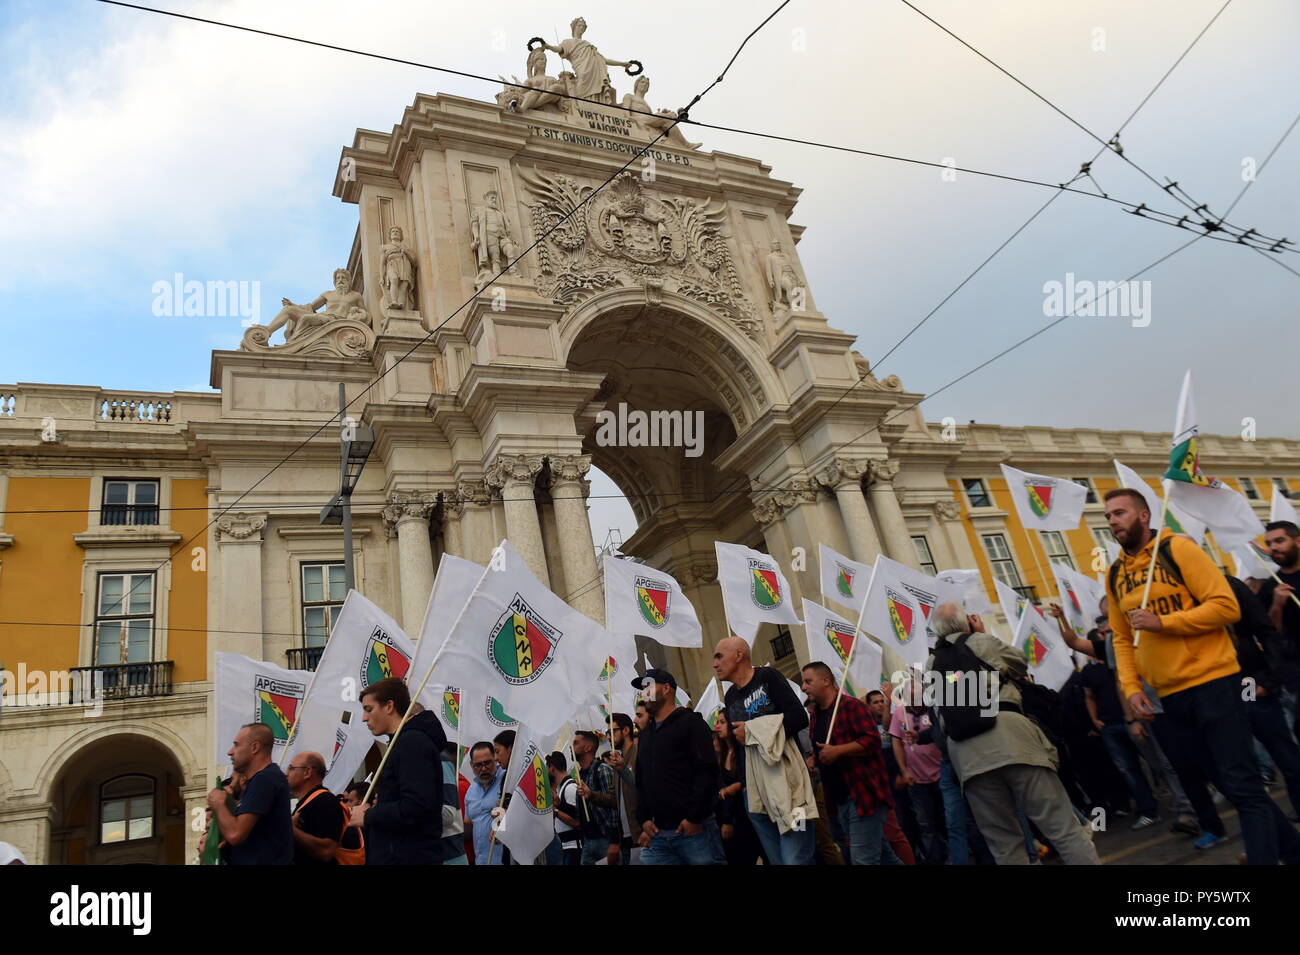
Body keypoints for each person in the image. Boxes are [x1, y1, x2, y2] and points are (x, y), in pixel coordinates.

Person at [1105, 488, 1300, 865]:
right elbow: (1123, 639)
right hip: (1169, 697)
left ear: (1143, 516)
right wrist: (1131, 688)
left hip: (1215, 683)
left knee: (1244, 785)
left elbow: (1226, 607)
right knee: (1229, 784)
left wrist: (1165, 622)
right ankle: (1291, 850)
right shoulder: (1116, 574)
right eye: (1109, 515)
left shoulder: (1178, 550)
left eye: (1120, 513)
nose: (1112, 520)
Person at [927, 603, 1100, 864]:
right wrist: (980, 633)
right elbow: (1019, 662)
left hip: (967, 756)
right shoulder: (981, 641)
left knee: (1004, 844)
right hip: (1009, 737)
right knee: (1062, 828)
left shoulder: (932, 662)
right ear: (967, 623)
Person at [714, 637, 817, 865]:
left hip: (792, 789)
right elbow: (739, 747)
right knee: (778, 860)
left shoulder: (768, 678)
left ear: (739, 655)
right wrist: (744, 786)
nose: (715, 664)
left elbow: (800, 718)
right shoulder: (730, 697)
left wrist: (753, 730)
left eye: (719, 656)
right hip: (756, 793)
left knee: (797, 858)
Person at [801, 662, 897, 864]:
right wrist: (815, 759)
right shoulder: (816, 717)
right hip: (839, 800)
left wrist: (838, 751)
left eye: (808, 681)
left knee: (862, 860)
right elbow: (822, 751)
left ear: (826, 680)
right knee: (885, 858)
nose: (803, 687)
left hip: (863, 795)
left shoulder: (852, 707)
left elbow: (872, 740)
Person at [632, 668, 726, 865]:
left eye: (648, 686)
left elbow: (707, 772)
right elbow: (641, 780)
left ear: (666, 689)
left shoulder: (691, 723)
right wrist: (644, 819)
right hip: (658, 836)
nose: (643, 693)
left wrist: (694, 817)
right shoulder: (646, 734)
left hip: (693, 832)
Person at [1225, 573, 1300, 820]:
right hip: (1213, 689)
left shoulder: (1230, 586)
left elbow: (1266, 631)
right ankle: (1268, 830)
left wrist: (1268, 680)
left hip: (1246, 678)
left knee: (1282, 750)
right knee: (1241, 768)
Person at [351, 677, 446, 865]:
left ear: (389, 706)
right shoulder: (403, 742)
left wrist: (370, 815)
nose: (363, 718)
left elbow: (416, 806)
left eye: (369, 709)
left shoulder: (412, 743)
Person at [206, 723, 293, 865]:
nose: (230, 752)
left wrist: (218, 804)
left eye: (236, 745)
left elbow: (235, 834)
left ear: (255, 747)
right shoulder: (263, 779)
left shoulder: (264, 779)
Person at [889, 676, 948, 864]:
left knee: (946, 819)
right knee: (925, 824)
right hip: (916, 780)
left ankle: (954, 855)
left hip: (941, 775)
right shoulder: (899, 713)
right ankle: (936, 860)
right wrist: (904, 771)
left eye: (917, 690)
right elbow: (896, 742)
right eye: (909, 691)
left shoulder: (932, 711)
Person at [867, 686, 916, 864]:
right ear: (868, 707)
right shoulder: (869, 728)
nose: (880, 705)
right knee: (899, 824)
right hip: (887, 784)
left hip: (904, 778)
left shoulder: (894, 720)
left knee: (912, 820)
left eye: (882, 701)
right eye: (876, 702)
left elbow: (889, 728)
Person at [1261, 520, 1300, 734]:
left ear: (1297, 542)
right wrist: (1277, 605)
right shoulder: (1270, 586)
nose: (1273, 547)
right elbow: (1270, 633)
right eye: (1269, 543)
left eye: (1279, 541)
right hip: (1294, 669)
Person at [714, 708, 765, 865]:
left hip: (749, 815)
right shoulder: (723, 753)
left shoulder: (743, 750)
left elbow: (751, 776)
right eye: (717, 722)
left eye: (722, 722)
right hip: (732, 818)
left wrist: (735, 787)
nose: (717, 727)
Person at [286, 751, 345, 865]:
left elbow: (326, 851)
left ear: (307, 772)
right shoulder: (307, 801)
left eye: (291, 768)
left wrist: (292, 830)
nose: (286, 773)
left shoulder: (325, 801)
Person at [573, 730, 620, 864]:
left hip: (604, 839)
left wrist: (614, 841)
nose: (572, 746)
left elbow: (613, 806)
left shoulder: (602, 770)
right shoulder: (581, 774)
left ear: (588, 747)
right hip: (588, 841)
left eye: (576, 743)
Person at [464, 742, 505, 866]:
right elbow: (468, 825)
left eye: (487, 763)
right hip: (480, 861)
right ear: (471, 765)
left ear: (495, 759)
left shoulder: (506, 781)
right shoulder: (470, 792)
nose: (483, 768)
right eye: (478, 765)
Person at [608, 712, 639, 863]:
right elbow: (614, 799)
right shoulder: (617, 761)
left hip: (641, 833)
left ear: (626, 730)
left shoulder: (638, 754)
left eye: (612, 732)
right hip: (625, 837)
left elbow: (643, 789)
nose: (608, 737)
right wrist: (591, 795)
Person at [548, 752, 582, 865]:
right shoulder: (561, 788)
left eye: (547, 768)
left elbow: (577, 821)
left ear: (552, 769)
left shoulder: (570, 787)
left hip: (574, 848)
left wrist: (555, 811)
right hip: (566, 847)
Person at [437, 742, 469, 865]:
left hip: (454, 854)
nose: (481, 768)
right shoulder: (473, 789)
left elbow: (448, 816)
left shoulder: (462, 785)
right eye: (477, 765)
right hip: (466, 852)